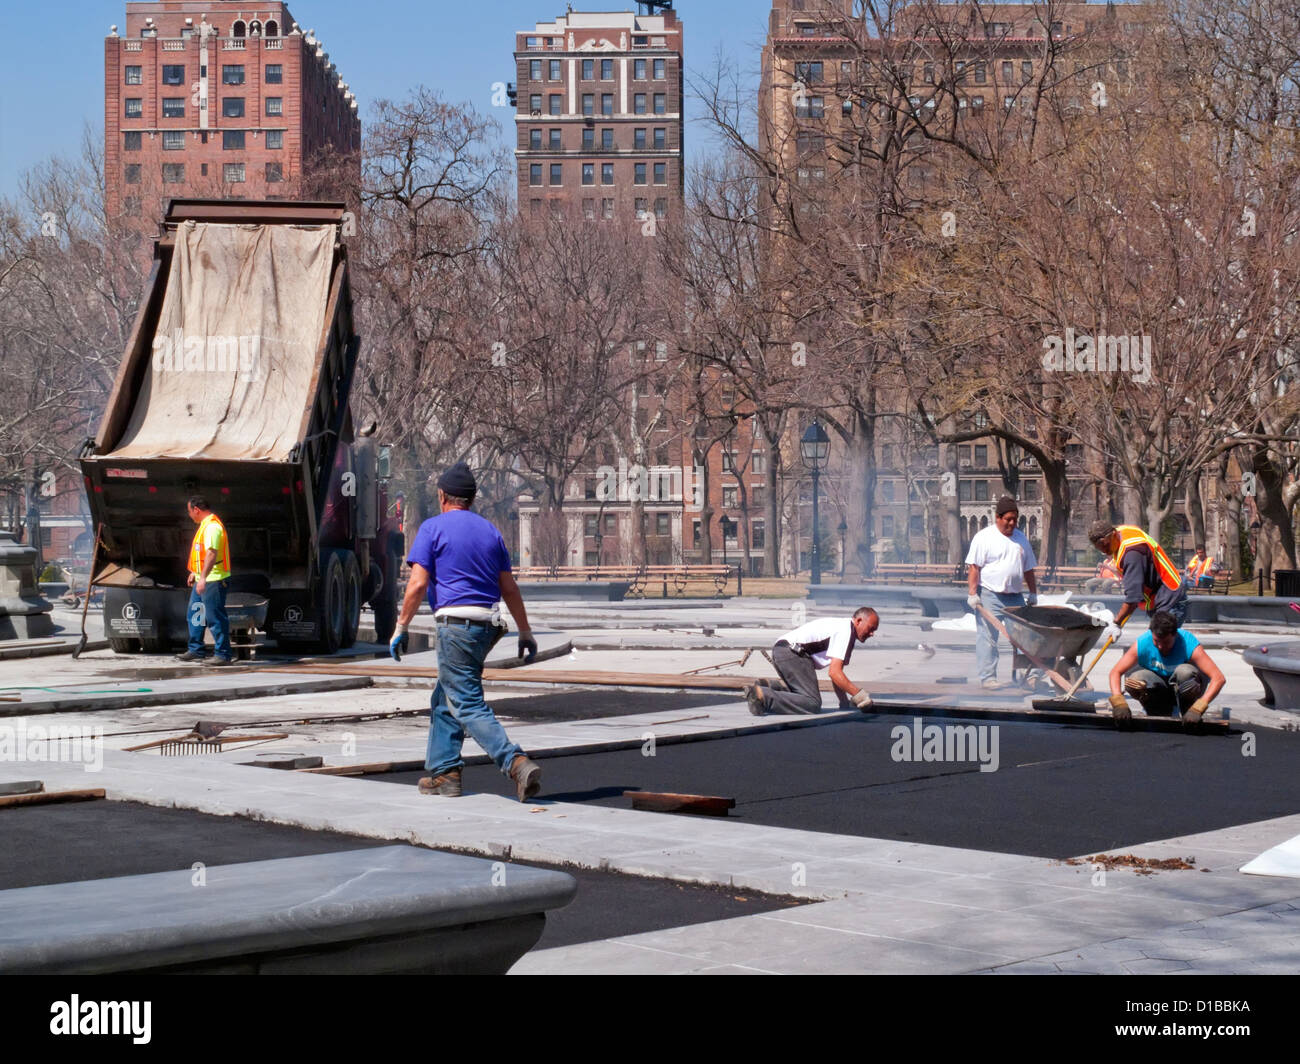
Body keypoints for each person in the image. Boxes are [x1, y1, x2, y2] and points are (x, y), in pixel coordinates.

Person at [391, 461, 542, 801]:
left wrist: (401, 627)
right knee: (446, 696)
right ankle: (445, 774)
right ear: (471, 499)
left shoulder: (432, 528)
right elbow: (510, 589)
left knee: (467, 702)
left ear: (442, 496)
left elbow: (416, 585)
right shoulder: (491, 531)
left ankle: (515, 762)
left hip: (455, 626)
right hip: (487, 626)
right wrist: (525, 632)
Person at [744, 607, 879, 716]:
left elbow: (837, 676)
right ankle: (763, 695)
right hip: (793, 654)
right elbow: (834, 673)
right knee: (811, 703)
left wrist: (844, 704)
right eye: (871, 628)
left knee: (803, 695)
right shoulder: (846, 631)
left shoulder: (844, 627)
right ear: (859, 621)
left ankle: (772, 687)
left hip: (783, 650)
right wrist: (859, 695)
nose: (872, 633)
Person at [965, 497, 1038, 690]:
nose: (1012, 523)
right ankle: (988, 677)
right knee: (988, 637)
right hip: (990, 595)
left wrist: (1033, 593)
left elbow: (1029, 569)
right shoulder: (984, 537)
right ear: (997, 517)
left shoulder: (1021, 539)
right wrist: (973, 593)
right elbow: (974, 567)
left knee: (1026, 636)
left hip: (1015, 596)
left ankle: (1027, 675)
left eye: (1015, 519)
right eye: (1008, 519)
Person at [1107, 610, 1225, 724]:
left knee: (1185, 672)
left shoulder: (1187, 642)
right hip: (1160, 691)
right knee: (1136, 679)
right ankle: (1158, 711)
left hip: (1184, 690)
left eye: (1166, 642)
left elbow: (1218, 678)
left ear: (1175, 634)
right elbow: (1115, 672)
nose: (1160, 646)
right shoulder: (1143, 642)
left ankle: (1188, 713)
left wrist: (1199, 707)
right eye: (1156, 641)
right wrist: (1119, 703)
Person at [1087, 521, 1187, 638]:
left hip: (1170, 599)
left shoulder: (1132, 553)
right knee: (1158, 647)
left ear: (1113, 534)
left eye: (1105, 545)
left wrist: (1116, 623)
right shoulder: (1123, 532)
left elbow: (1133, 598)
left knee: (1161, 646)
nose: (1104, 550)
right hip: (1162, 596)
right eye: (1099, 548)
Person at [176, 496, 233, 665]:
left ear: (197, 510)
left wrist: (202, 578)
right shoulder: (204, 526)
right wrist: (195, 572)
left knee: (214, 617)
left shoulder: (213, 527)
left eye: (189, 511)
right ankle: (196, 650)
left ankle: (223, 654)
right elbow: (201, 555)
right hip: (204, 579)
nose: (189, 515)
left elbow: (211, 554)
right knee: (195, 614)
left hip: (213, 579)